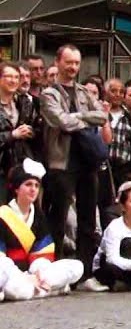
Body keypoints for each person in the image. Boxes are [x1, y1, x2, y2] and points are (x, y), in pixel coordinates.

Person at [39, 44, 107, 275]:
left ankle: (85, 273)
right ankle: (54, 272)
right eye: (69, 62)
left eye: (77, 63)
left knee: (87, 221)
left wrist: (77, 116)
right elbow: (61, 122)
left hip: (87, 162)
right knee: (57, 218)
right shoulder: (49, 94)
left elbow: (101, 116)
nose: (73, 68)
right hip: (61, 163)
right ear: (58, 62)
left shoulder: (84, 91)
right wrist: (84, 119)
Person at [0, 160, 84, 300]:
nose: (33, 189)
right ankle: (50, 290)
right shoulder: (3, 215)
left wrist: (37, 273)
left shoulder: (39, 217)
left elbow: (42, 254)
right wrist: (24, 277)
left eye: (36, 185)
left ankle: (37, 288)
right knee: (13, 281)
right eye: (28, 185)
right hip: (10, 273)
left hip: (34, 274)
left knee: (77, 266)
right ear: (16, 189)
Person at [0, 62, 38, 175]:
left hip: (20, 166)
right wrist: (12, 135)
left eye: (17, 77)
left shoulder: (25, 103)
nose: (13, 80)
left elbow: (37, 129)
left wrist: (30, 131)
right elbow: (12, 134)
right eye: (9, 76)